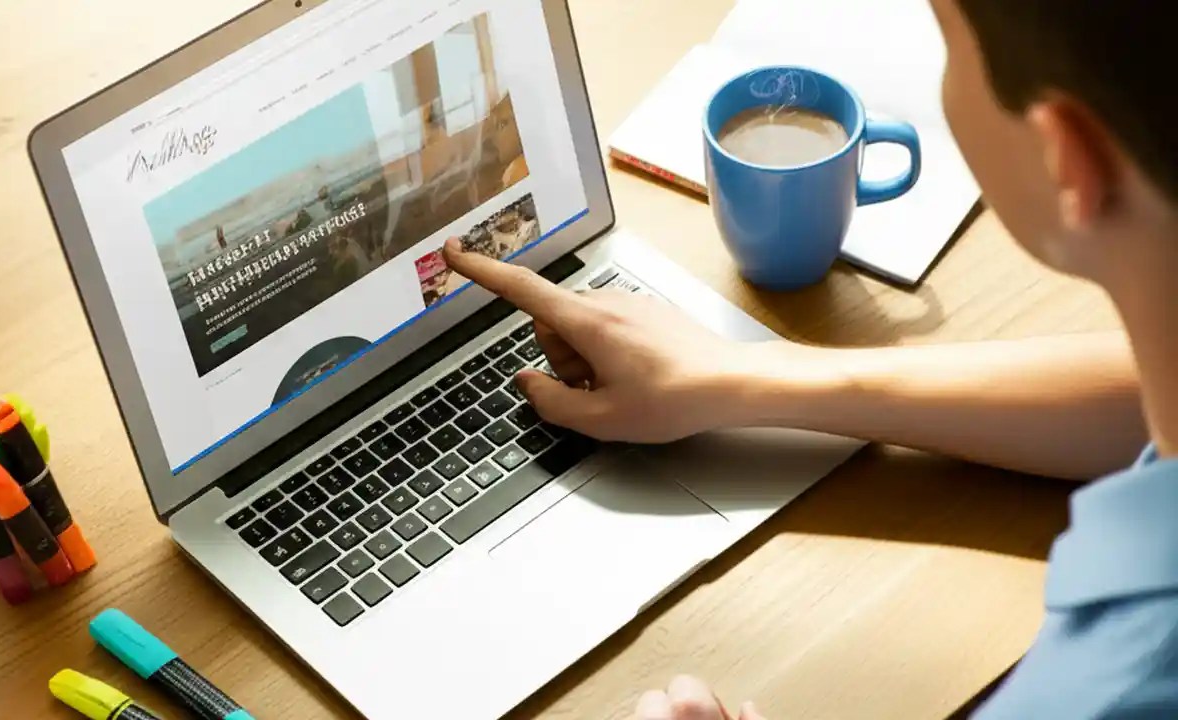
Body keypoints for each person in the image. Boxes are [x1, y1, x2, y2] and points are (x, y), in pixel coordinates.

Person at [440, 0, 1178, 716]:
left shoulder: (1106, 691)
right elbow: (1136, 407)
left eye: (950, 47)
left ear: (1065, 157)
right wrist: (747, 374)